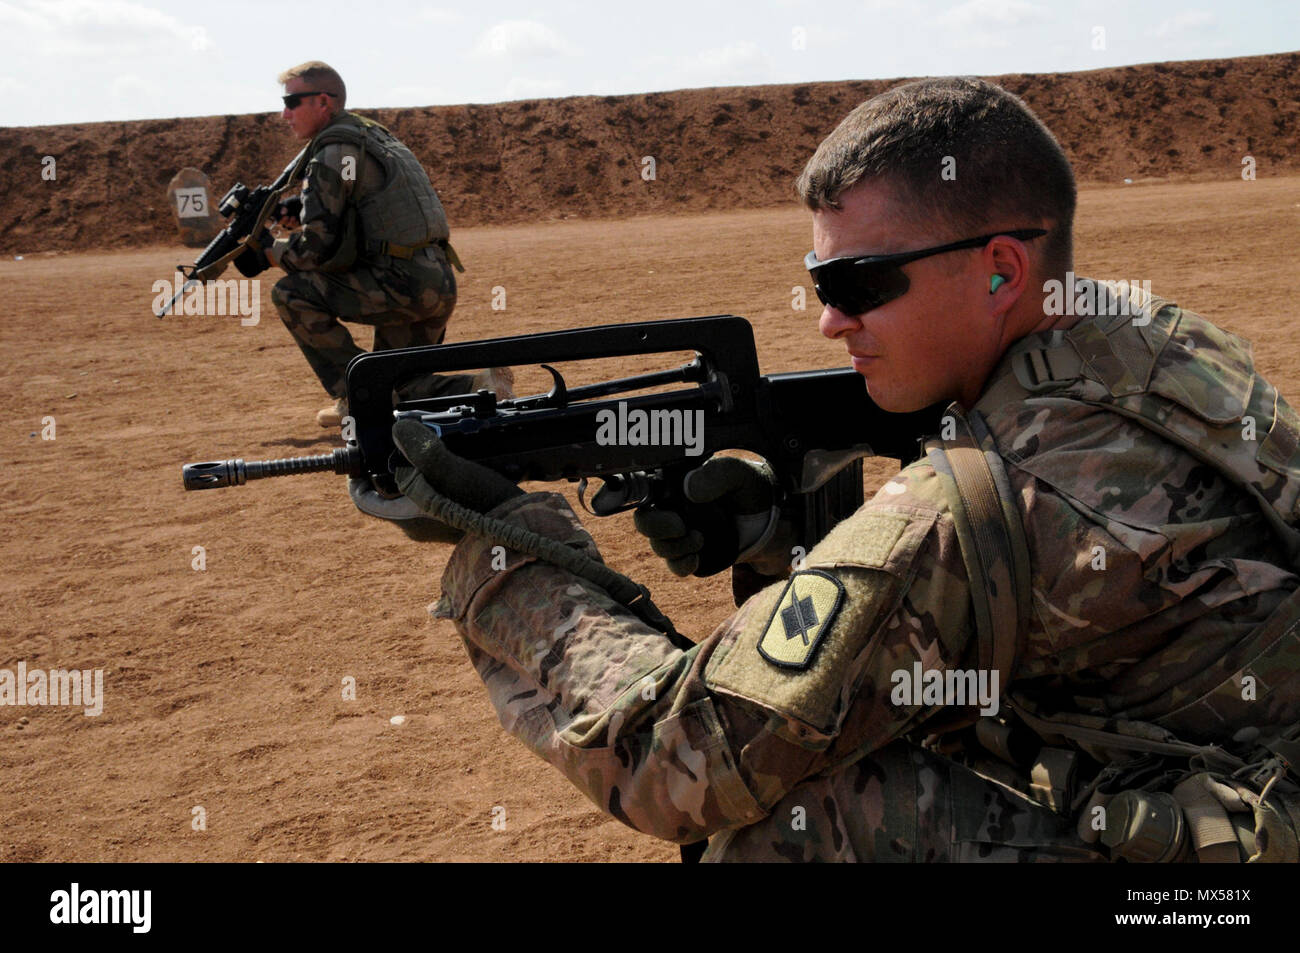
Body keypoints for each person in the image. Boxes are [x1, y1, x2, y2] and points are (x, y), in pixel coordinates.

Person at [372, 77, 1300, 862]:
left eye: (858, 284)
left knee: (795, 819)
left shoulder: (977, 505)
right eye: (820, 283)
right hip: (1253, 781)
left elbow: (675, 762)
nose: (827, 320)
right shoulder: (1156, 344)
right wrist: (782, 541)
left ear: (1001, 271)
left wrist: (510, 552)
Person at [264, 61, 510, 428]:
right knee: (399, 383)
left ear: (323, 102)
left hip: (399, 285)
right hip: (435, 283)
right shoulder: (372, 138)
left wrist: (270, 252)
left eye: (293, 102)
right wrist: (301, 210)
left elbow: (316, 250)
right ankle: (480, 386)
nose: (285, 114)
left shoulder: (332, 153)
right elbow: (366, 204)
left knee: (290, 293)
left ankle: (354, 392)